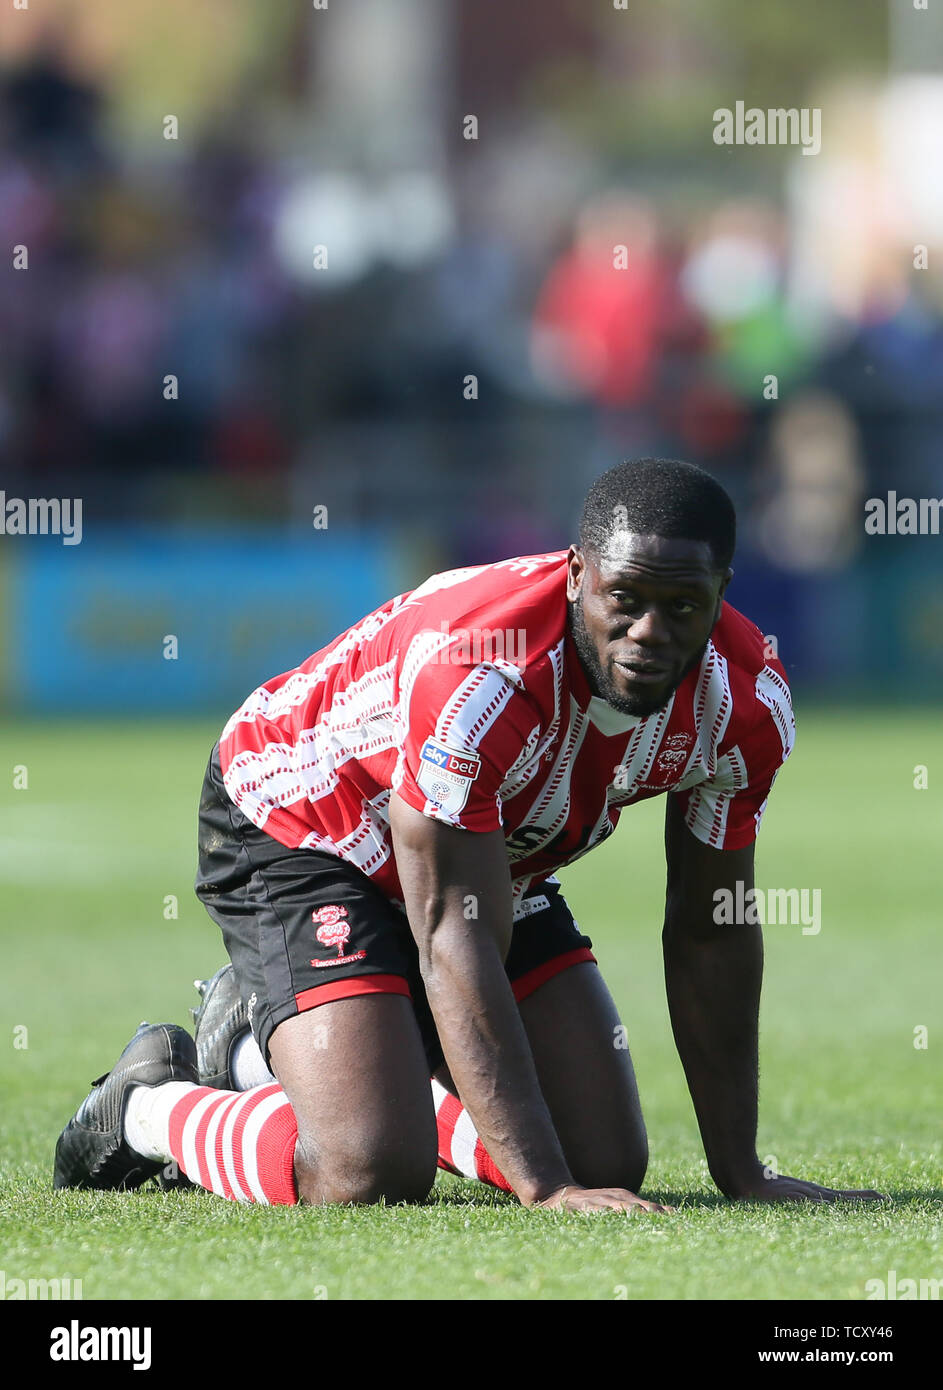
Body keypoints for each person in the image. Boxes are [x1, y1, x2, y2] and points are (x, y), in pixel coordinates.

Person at [54, 458, 883, 1213]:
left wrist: (742, 1171)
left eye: (681, 606)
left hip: (491, 859)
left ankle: (256, 1050)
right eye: (623, 599)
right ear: (575, 575)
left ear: (722, 592)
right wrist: (545, 1187)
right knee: (368, 1171)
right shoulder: (480, 671)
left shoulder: (745, 705)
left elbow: (709, 929)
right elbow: (451, 929)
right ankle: (148, 1106)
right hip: (306, 821)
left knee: (609, 1161)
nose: (648, 633)